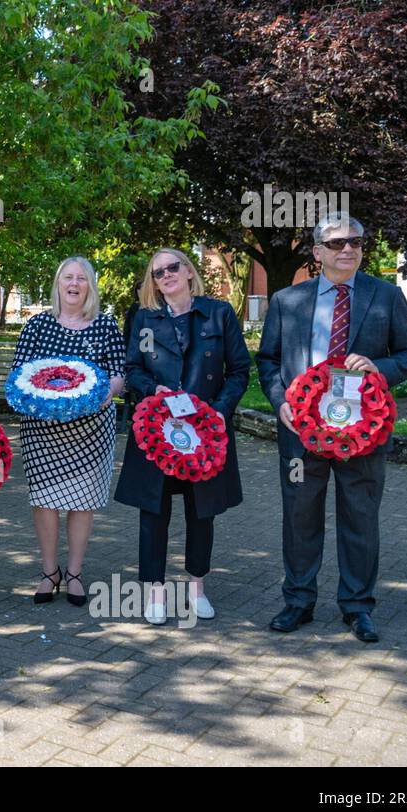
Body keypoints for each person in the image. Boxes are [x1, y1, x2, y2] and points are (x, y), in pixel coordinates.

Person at [257, 213, 407, 643]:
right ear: (317, 253)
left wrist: (378, 367)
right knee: (299, 518)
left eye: (355, 241)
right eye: (336, 244)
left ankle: (357, 607)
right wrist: (281, 405)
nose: (347, 249)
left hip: (363, 434)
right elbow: (269, 361)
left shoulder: (386, 297)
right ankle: (298, 601)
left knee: (360, 519)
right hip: (301, 434)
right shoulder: (287, 301)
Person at [114, 248, 250, 626]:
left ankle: (196, 589)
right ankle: (155, 594)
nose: (167, 275)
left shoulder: (219, 314)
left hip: (204, 433)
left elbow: (239, 370)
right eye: (158, 272)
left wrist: (218, 412)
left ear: (189, 272)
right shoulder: (144, 321)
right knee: (153, 512)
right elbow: (133, 369)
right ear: (153, 282)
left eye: (174, 267)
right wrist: (151, 391)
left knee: (201, 511)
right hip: (156, 430)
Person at [11, 257, 125, 605]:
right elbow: (19, 374)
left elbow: (119, 372)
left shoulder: (105, 326)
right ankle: (50, 572)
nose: (74, 284)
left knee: (82, 502)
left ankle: (74, 572)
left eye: (82, 278)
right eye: (68, 278)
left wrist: (104, 397)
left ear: (91, 285)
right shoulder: (36, 326)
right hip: (42, 432)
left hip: (91, 431)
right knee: (44, 502)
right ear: (58, 284)